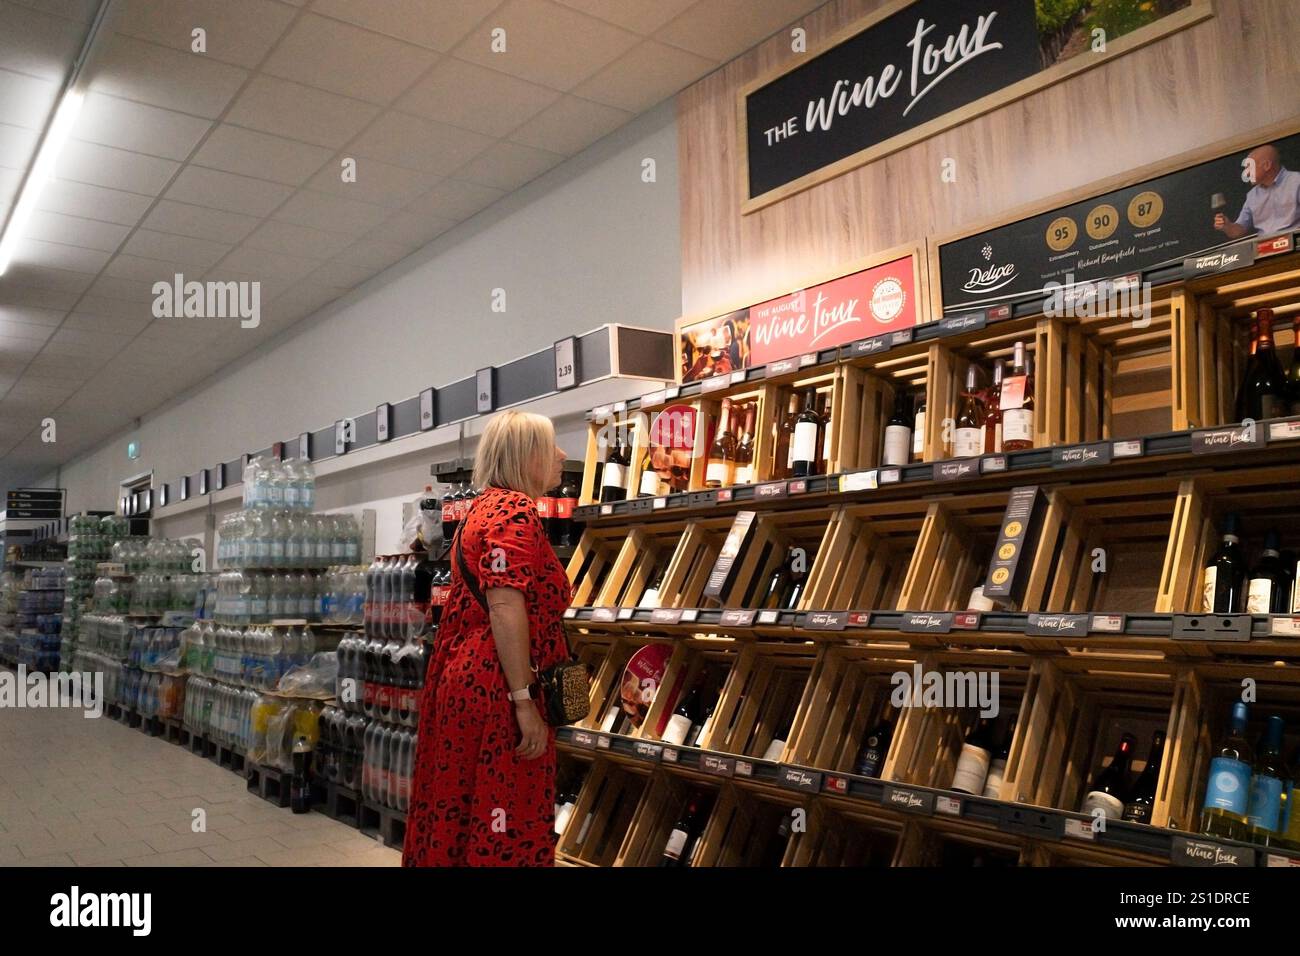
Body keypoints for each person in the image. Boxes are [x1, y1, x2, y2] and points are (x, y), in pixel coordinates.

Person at [403, 410, 571, 867]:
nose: (561, 456)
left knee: (461, 804)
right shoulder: (514, 512)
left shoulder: (482, 509)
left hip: (465, 677)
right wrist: (524, 701)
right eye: (550, 447)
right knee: (507, 812)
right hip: (497, 685)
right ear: (525, 456)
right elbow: (505, 607)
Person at [1215, 143, 1300, 239]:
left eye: (1249, 167)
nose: (1246, 173)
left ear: (1267, 165)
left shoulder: (1296, 181)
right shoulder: (1252, 196)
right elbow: (1239, 230)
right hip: (1266, 250)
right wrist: (1227, 226)